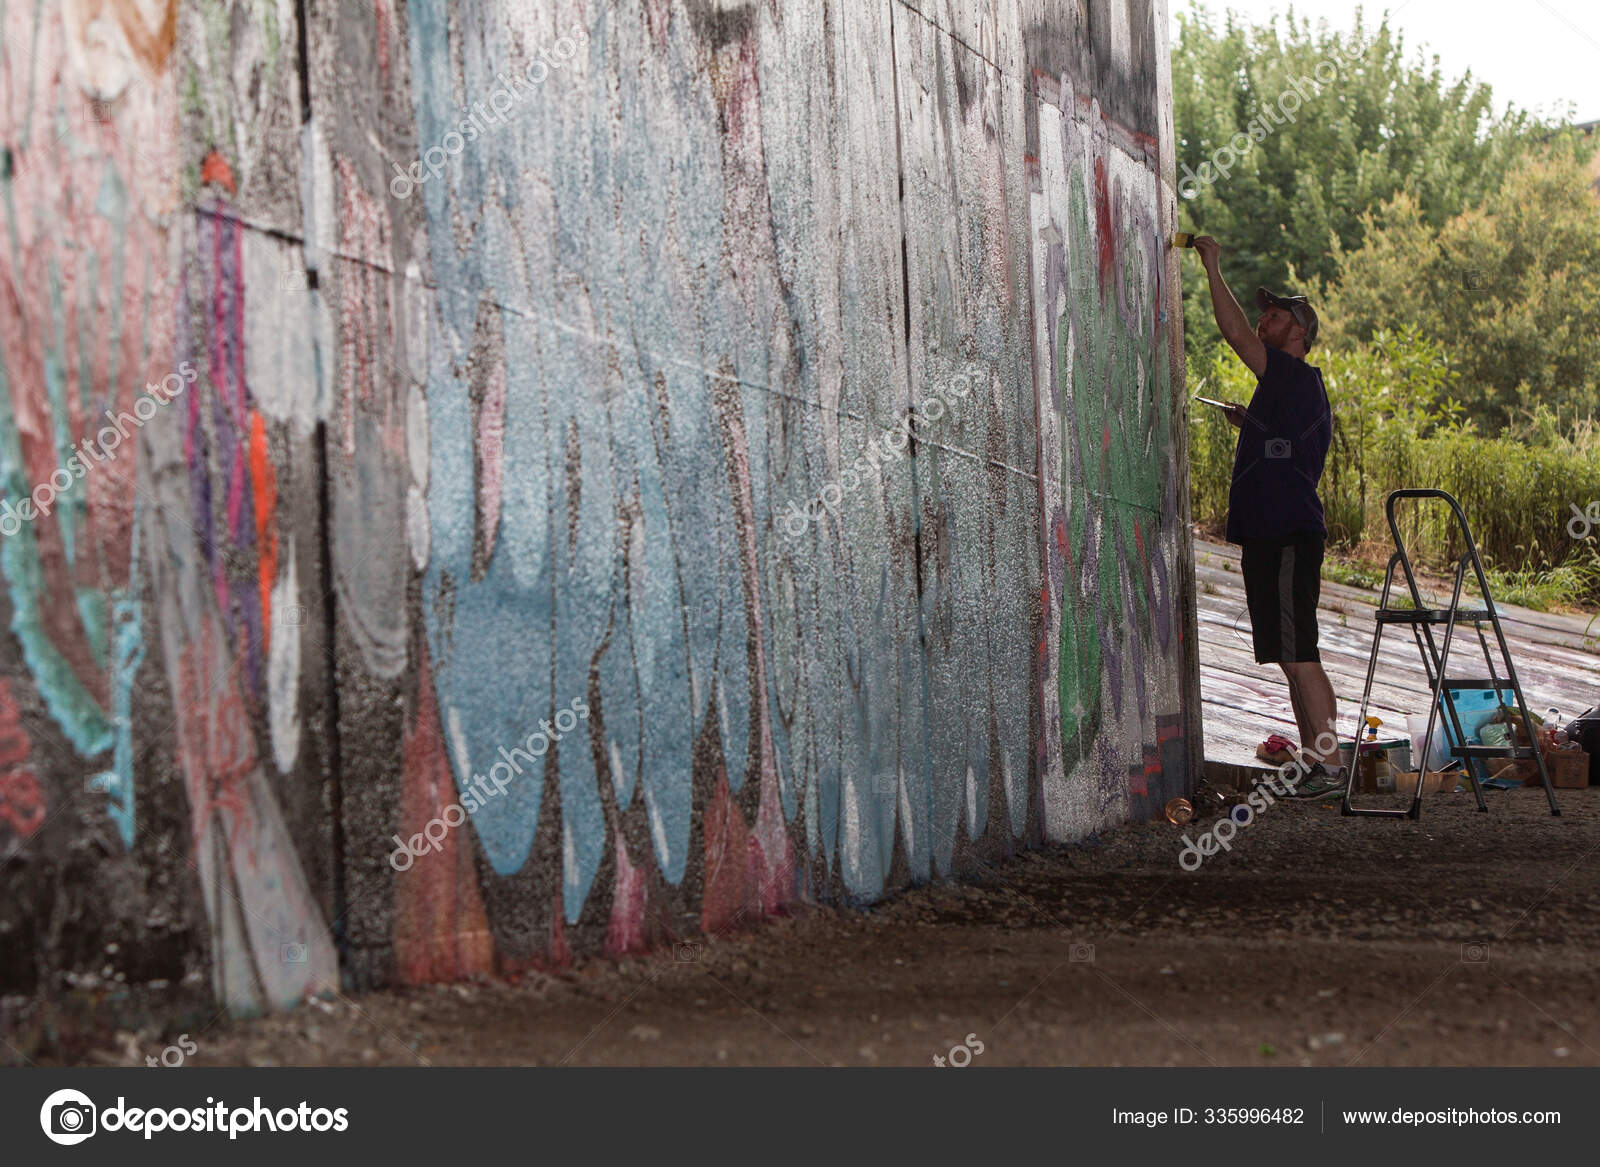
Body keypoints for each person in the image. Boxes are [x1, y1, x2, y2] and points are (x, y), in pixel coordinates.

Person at [1190, 235, 1344, 797]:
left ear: (1298, 334)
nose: (1263, 319)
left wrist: (1212, 264)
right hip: (1273, 535)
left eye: (1276, 315)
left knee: (1300, 654)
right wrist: (1251, 426)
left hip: (1286, 536)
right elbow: (1289, 448)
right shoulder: (1286, 389)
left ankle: (1328, 766)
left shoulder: (1293, 375)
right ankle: (1313, 762)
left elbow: (1231, 332)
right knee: (1287, 653)